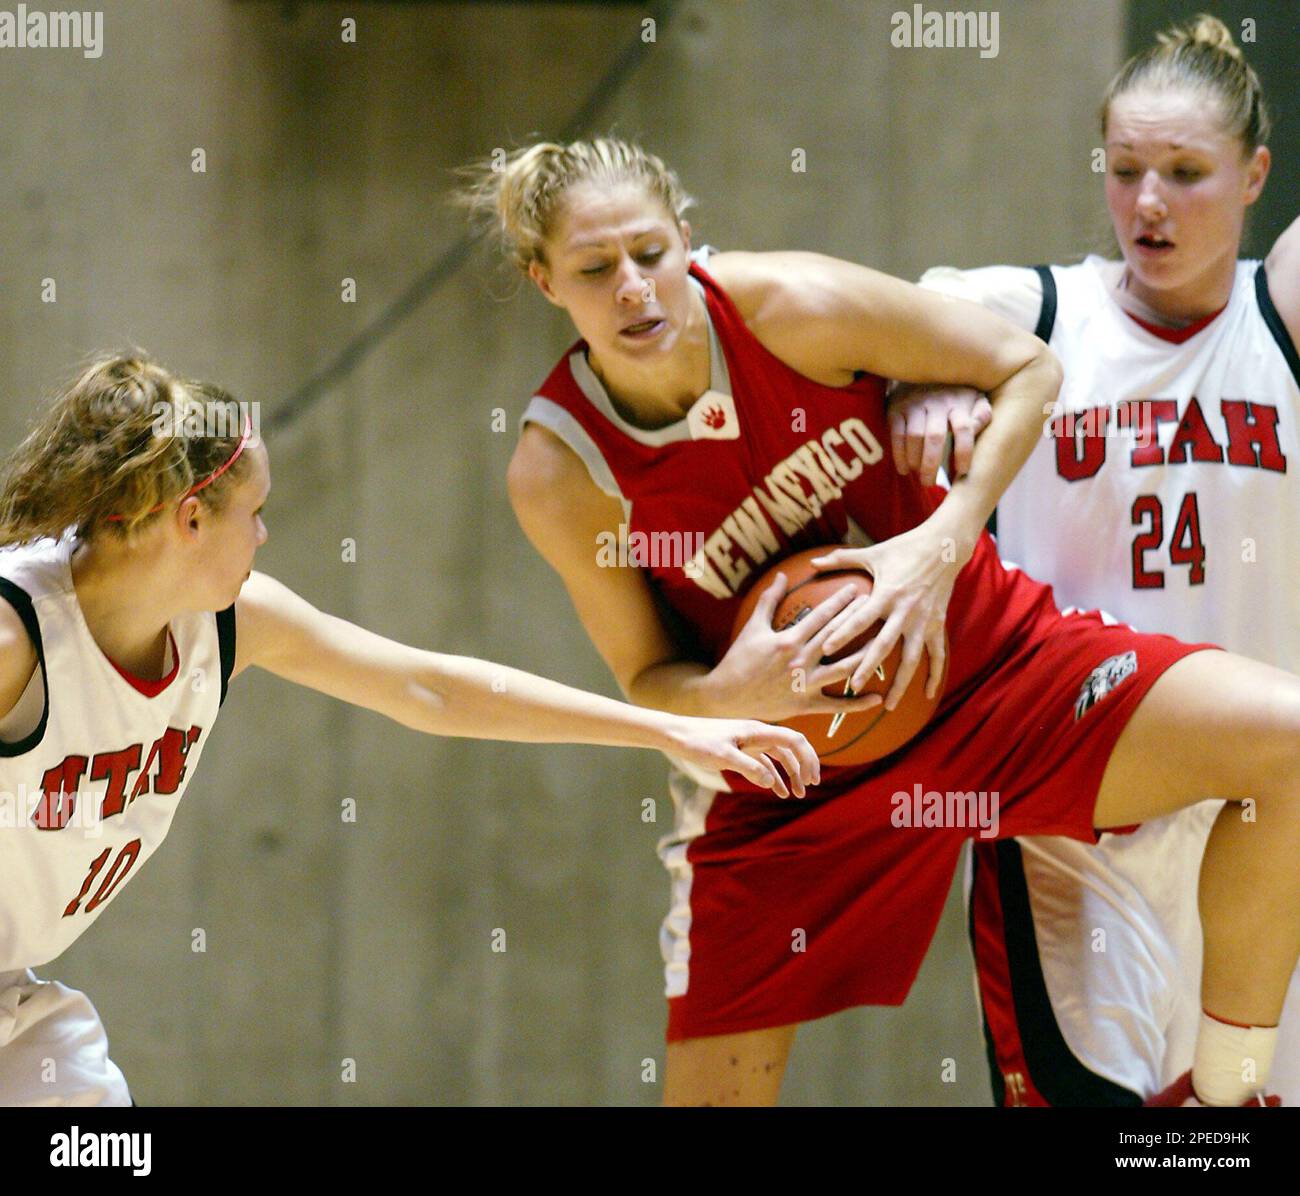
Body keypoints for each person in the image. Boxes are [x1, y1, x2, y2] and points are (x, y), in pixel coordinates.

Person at [463, 134, 1300, 1107]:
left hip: (989, 669)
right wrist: (736, 692)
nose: (635, 290)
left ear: (687, 238)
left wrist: (938, 542)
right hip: (794, 772)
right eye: (594, 270)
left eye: (650, 253)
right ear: (544, 281)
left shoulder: (790, 307)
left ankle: (1227, 1095)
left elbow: (1024, 368)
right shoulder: (560, 471)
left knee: (1285, 742)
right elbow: (649, 680)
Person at [0, 353, 819, 1106]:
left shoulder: (228, 625)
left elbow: (428, 686)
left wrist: (670, 732)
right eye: (254, 511)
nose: (263, 534)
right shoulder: (19, 638)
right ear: (189, 520)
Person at [885, 15, 1299, 1107]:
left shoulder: (1281, 309)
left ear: (1256, 173)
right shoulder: (1032, 314)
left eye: (1184, 172)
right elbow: (862, 325)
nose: (1148, 203)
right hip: (1082, 824)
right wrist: (920, 377)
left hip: (1267, 815)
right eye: (1123, 171)